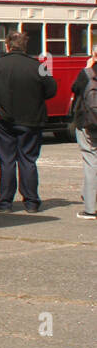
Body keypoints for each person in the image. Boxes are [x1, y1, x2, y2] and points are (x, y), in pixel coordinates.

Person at [0, 30, 57, 212]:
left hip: (2, 119)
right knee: (28, 160)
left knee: (6, 160)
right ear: (25, 47)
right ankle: (32, 202)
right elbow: (51, 90)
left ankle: (4, 202)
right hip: (31, 119)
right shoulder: (38, 67)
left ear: (7, 46)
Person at [71, 43, 97, 219]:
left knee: (91, 161)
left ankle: (90, 207)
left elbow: (75, 88)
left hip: (89, 123)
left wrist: (88, 66)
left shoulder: (88, 74)